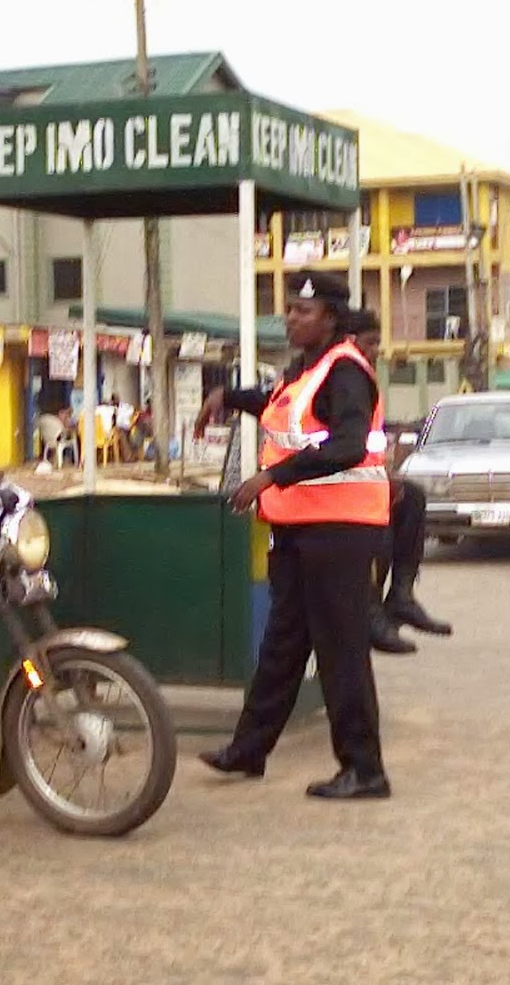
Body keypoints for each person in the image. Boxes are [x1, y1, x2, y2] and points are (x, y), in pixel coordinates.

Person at [193, 272, 391, 800]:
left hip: (339, 531)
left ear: (330, 317)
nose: (292, 319)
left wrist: (269, 477)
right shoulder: (307, 370)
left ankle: (365, 769)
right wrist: (227, 396)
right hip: (300, 530)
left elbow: (349, 445)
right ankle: (248, 750)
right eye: (290, 310)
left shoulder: (346, 371)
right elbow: (281, 413)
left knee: (341, 652)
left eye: (304, 311)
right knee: (282, 646)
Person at [343, 308, 454, 655]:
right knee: (380, 526)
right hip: (333, 485)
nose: (376, 350)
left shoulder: (364, 379)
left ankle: (402, 595)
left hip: (364, 477)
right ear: (349, 341)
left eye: (378, 343)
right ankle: (371, 611)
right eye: (370, 342)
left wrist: (387, 473)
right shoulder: (343, 378)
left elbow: (370, 441)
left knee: (412, 498)